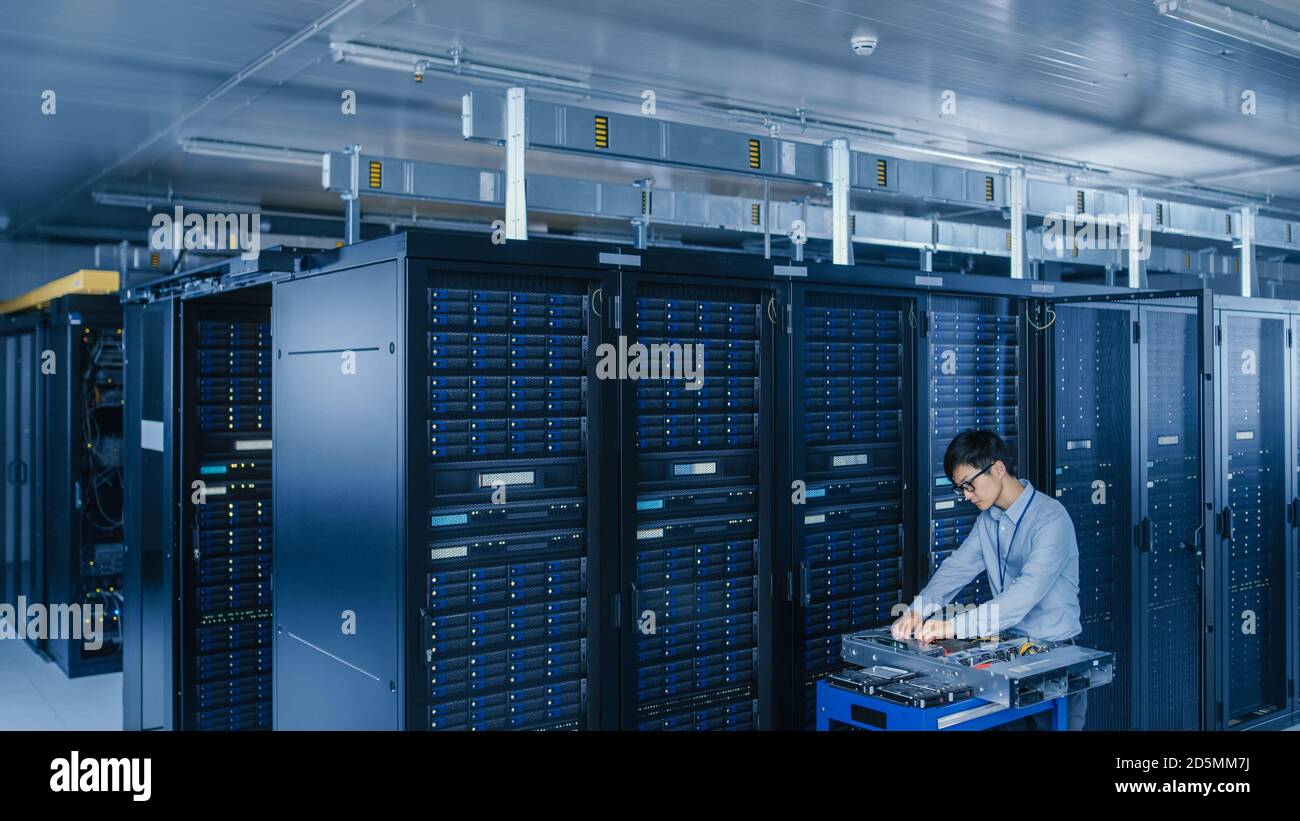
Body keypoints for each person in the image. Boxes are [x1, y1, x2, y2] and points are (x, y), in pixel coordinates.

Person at [890, 429, 1086, 730]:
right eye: (961, 488)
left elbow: (1024, 595)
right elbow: (956, 568)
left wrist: (952, 626)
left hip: (1056, 658)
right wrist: (918, 609)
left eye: (969, 484)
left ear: (997, 469)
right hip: (1010, 655)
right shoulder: (988, 521)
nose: (967, 495)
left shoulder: (1051, 519)